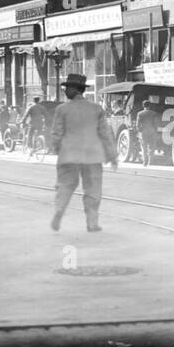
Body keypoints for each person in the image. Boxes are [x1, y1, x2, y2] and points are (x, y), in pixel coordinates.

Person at [49, 73, 118, 233]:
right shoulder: (96, 109)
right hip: (92, 155)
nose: (65, 90)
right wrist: (112, 156)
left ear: (75, 89)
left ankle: (59, 209)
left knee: (65, 185)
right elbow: (105, 133)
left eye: (67, 88)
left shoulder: (62, 109)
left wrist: (58, 149)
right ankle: (92, 223)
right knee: (93, 188)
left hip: (69, 154)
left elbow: (57, 133)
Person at [137, 99, 162, 167]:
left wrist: (140, 131)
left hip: (144, 131)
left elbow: (138, 124)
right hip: (152, 131)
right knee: (152, 146)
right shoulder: (154, 113)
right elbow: (156, 123)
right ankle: (150, 162)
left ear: (143, 106)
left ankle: (145, 162)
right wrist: (155, 130)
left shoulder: (140, 113)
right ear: (149, 105)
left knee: (144, 147)